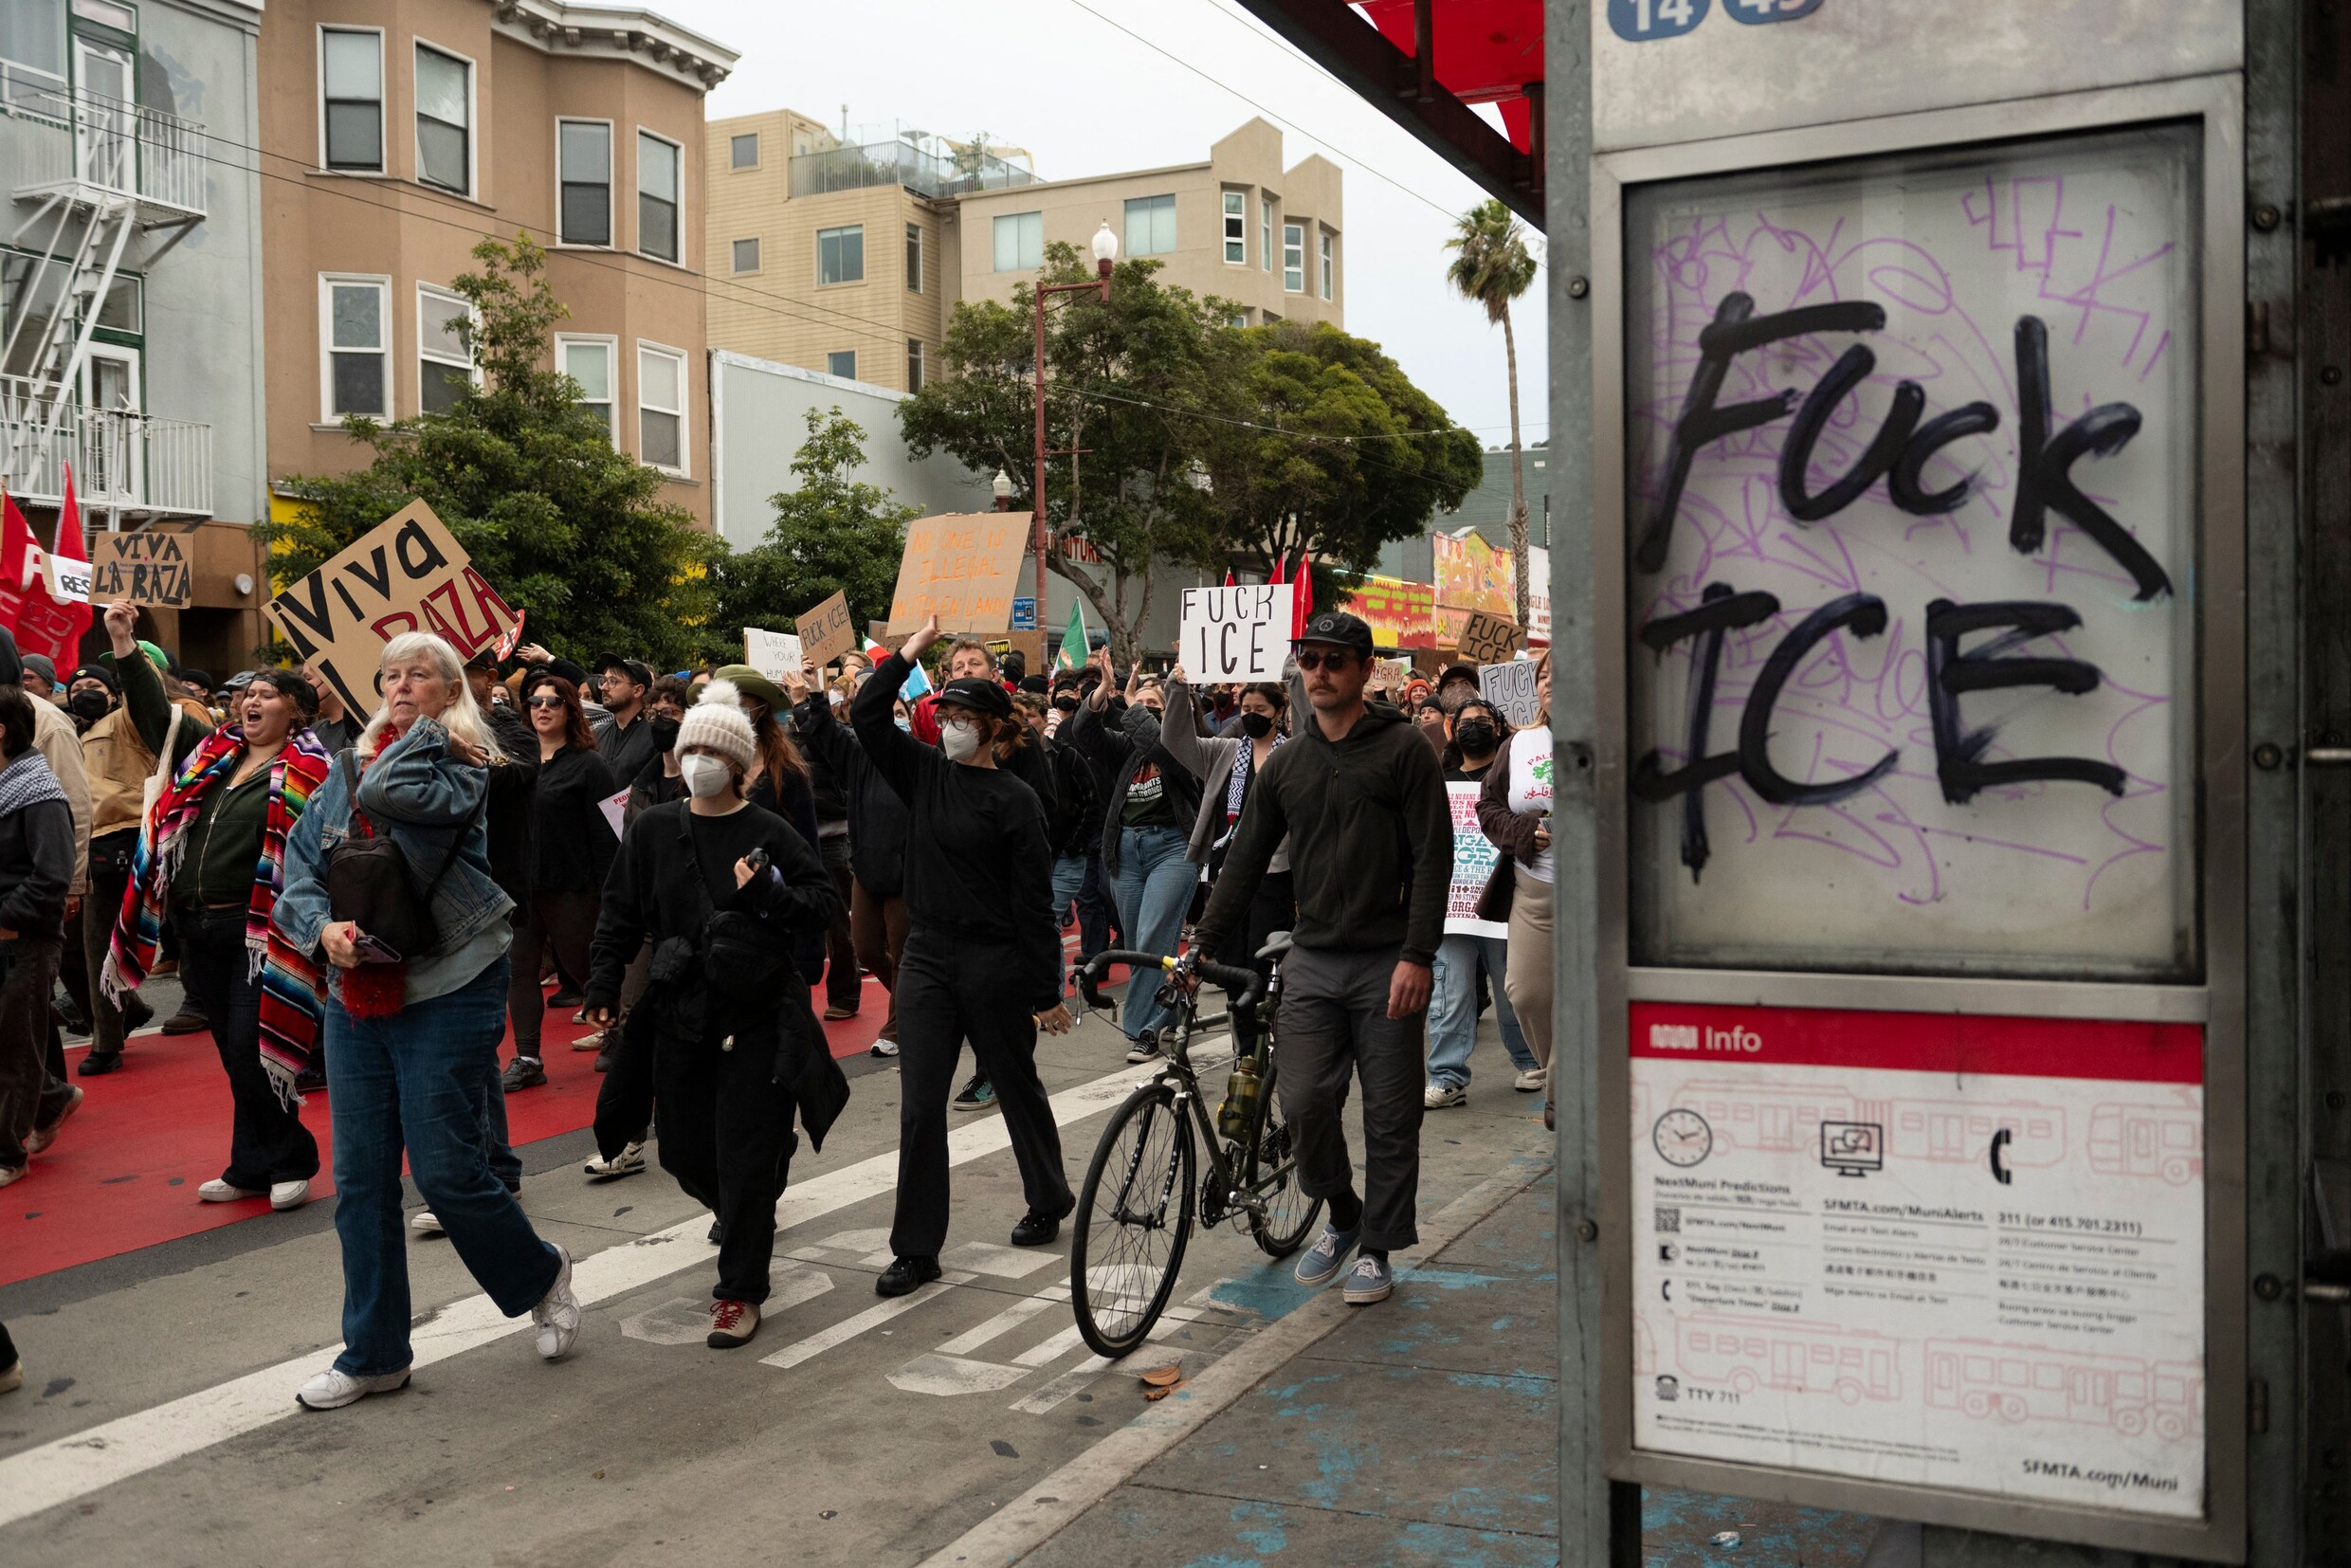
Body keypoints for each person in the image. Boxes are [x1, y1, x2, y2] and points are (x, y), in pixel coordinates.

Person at [274, 631, 581, 1410]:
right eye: (389, 675)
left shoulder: (462, 763)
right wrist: (323, 932)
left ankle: (539, 1273)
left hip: (451, 979)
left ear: (452, 691)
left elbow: (395, 798)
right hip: (360, 990)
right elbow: (298, 872)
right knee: (362, 1181)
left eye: (420, 675)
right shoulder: (346, 769)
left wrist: (415, 733)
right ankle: (374, 1353)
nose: (401, 684)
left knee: (446, 1170)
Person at [1191, 610, 1451, 1308]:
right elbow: (1244, 856)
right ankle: (1341, 1213)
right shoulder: (1290, 764)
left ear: (1366, 670)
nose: (1321, 672)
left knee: (1391, 1117)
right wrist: (1204, 942)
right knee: (1304, 1103)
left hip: (1389, 961)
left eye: (1336, 660)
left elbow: (1434, 858)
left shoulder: (1405, 751)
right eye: (1309, 659)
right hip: (1312, 959)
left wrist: (1418, 954)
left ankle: (1378, 1247)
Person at [582, 679, 843, 1348]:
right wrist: (604, 985)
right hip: (680, 1012)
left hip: (755, 1012)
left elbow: (822, 905)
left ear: (736, 763)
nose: (695, 759)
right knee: (686, 1153)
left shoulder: (769, 831)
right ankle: (746, 1198)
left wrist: (773, 898)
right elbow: (618, 912)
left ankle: (740, 1290)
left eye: (710, 749)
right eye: (689, 746)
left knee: (745, 1154)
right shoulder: (652, 829)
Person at [852, 615, 1074, 1297]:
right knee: (921, 1105)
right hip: (926, 957)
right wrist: (907, 652)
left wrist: (1046, 992)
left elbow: (1035, 907)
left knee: (1013, 1084)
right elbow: (865, 714)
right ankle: (916, 1248)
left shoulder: (1017, 801)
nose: (947, 721)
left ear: (993, 728)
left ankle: (1048, 1196)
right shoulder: (922, 773)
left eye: (960, 714)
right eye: (942, 710)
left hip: (996, 962)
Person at [104, 664, 331, 1209]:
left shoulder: (310, 768)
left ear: (294, 710)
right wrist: (125, 649)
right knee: (233, 1055)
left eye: (265, 696)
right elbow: (155, 713)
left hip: (262, 930)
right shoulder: (210, 757)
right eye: (245, 694)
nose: (249, 703)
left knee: (250, 1047)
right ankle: (251, 1165)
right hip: (197, 925)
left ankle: (290, 1160)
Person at [72, 617, 210, 1073]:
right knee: (98, 948)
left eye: (100, 679)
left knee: (192, 928)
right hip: (100, 847)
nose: (85, 689)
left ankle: (207, 997)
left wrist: (127, 652)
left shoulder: (167, 713)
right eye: (81, 683)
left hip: (158, 834)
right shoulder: (80, 728)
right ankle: (106, 1039)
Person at [1062, 647, 1201, 1064]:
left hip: (1173, 849)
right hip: (1127, 852)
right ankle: (1174, 1011)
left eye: (1153, 706)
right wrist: (1104, 690)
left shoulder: (1187, 746)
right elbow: (1082, 733)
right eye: (1141, 705)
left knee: (1155, 935)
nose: (1144, 711)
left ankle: (1145, 1028)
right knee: (1142, 943)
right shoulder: (1124, 747)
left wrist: (1130, 702)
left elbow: (1156, 742)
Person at [500, 670, 617, 1092]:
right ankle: (528, 1057)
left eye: (553, 701)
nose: (543, 708)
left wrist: (610, 892)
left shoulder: (591, 764)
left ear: (571, 710)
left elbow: (610, 833)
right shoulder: (514, 763)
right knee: (521, 971)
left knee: (585, 966)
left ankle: (616, 1034)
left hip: (574, 887)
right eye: (534, 701)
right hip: (521, 889)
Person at [1424, 697, 1542, 1108]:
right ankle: (1447, 1075)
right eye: (1466, 722)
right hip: (1453, 904)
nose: (1474, 727)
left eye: (1483, 721)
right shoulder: (1439, 778)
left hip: (1502, 900)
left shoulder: (1514, 777)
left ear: (1499, 727)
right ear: (1453, 731)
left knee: (1513, 986)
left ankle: (1530, 1061)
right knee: (1450, 992)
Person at [789, 662, 908, 1059]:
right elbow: (824, 731)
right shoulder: (857, 754)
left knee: (903, 950)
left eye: (897, 713)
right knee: (869, 949)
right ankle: (925, 1000)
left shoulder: (921, 755)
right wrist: (812, 694)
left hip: (908, 872)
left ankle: (899, 1025)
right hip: (867, 868)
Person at [1155, 673, 1297, 984]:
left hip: (1276, 876)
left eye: (1261, 709)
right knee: (1231, 963)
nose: (1251, 716)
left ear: (1278, 712)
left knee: (1264, 961)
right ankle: (1240, 1029)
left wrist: (1294, 678)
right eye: (1246, 709)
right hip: (1228, 871)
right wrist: (1178, 690)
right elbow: (1175, 741)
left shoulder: (1294, 754)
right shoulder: (1225, 752)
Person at [1475, 649, 1555, 1132]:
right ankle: (1564, 1079)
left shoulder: (1618, 734)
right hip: (1535, 890)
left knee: (1587, 998)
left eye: (1561, 676)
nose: (1549, 684)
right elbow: (1488, 806)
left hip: (1602, 897)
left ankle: (1563, 1093)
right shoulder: (1521, 744)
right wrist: (1523, 833)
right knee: (1525, 992)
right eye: (1543, 677)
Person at [0, 685, 76, 1190]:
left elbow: (53, 876)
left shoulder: (38, 791)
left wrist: (8, 917)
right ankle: (51, 1100)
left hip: (23, 938)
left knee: (13, 1047)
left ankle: (8, 1152)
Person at [592, 654, 661, 787]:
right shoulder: (597, 735)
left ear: (637, 691)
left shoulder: (656, 736)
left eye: (613, 681)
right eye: (604, 680)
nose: (604, 688)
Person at [301, 664, 360, 756]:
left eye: (308, 679)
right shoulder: (314, 729)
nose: (304, 686)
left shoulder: (358, 730)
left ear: (331, 677)